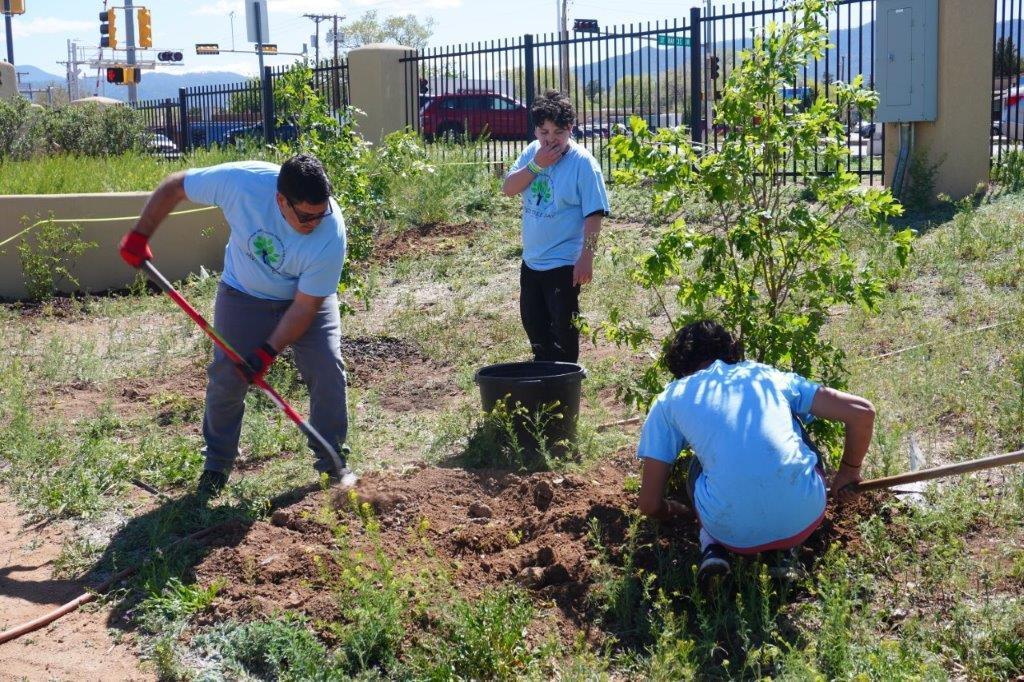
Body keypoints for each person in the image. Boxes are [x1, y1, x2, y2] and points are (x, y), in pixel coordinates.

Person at [118, 154, 350, 497]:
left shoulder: (330, 233)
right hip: (244, 293)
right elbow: (175, 186)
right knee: (227, 376)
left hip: (304, 301)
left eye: (321, 213)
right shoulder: (243, 184)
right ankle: (216, 464)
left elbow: (304, 308)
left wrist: (267, 352)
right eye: (305, 216)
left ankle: (331, 459)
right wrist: (140, 235)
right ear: (280, 200)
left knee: (327, 366)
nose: (314, 222)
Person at [635, 320, 875, 584]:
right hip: (805, 516)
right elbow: (861, 413)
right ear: (731, 351)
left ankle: (712, 546)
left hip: (729, 531)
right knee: (794, 426)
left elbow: (648, 504)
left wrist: (674, 510)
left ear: (681, 367)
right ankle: (786, 553)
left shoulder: (670, 399)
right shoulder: (766, 376)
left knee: (698, 464)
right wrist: (849, 472)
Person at [501, 90, 610, 363]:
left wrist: (587, 258)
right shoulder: (532, 153)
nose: (550, 139)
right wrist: (537, 165)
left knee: (563, 329)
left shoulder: (584, 164)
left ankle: (565, 381)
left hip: (563, 264)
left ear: (570, 129)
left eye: (558, 132)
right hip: (532, 260)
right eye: (544, 131)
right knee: (534, 324)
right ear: (536, 130)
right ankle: (544, 379)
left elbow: (594, 215)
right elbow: (509, 188)